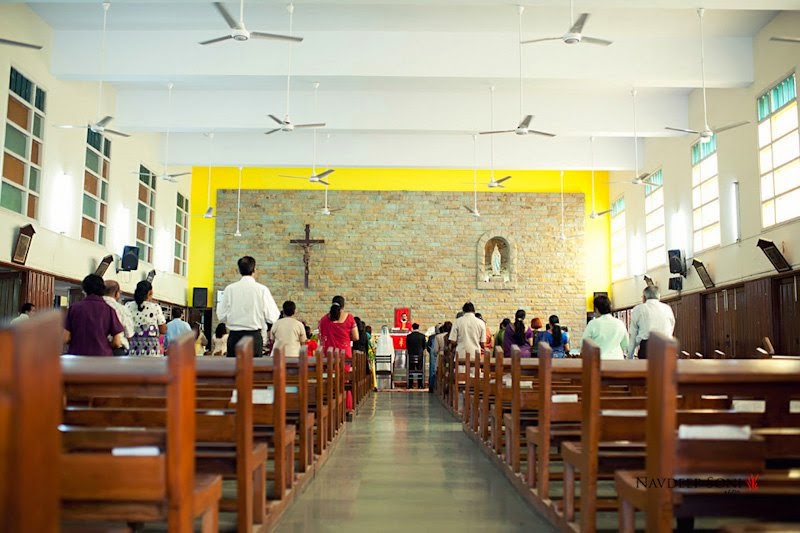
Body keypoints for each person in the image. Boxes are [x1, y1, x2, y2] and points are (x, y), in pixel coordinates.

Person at [217, 256, 280, 358]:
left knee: (234, 371)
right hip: (253, 337)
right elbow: (272, 317)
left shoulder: (230, 289)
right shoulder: (262, 290)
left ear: (239, 270)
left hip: (234, 338)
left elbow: (221, 316)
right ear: (254, 270)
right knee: (254, 371)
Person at [64, 274, 124, 356]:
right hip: (102, 358)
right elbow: (117, 342)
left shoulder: (74, 308)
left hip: (77, 357)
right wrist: (104, 346)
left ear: (84, 289)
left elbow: (66, 338)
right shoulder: (109, 310)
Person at [319, 295, 358, 409]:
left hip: (329, 355)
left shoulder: (324, 319)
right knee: (344, 381)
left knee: (330, 381)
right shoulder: (349, 318)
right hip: (344, 355)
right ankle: (346, 406)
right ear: (343, 305)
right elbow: (356, 337)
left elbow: (321, 336)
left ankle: (330, 407)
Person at [628, 286, 676, 359]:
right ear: (659, 296)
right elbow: (671, 328)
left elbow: (633, 336)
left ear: (644, 297)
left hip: (647, 347)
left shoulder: (638, 309)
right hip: (665, 346)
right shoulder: (667, 309)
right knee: (664, 370)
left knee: (647, 370)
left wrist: (630, 356)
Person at [126, 280, 167, 357]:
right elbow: (163, 329)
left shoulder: (128, 306)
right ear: (149, 293)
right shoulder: (155, 307)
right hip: (151, 350)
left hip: (133, 349)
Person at [582, 294, 629, 359]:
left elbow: (584, 344)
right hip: (617, 360)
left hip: (598, 361)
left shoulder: (593, 324)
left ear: (596, 309)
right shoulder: (620, 323)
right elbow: (625, 344)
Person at [103, 280, 134, 356]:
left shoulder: (94, 307)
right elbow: (129, 334)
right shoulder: (122, 309)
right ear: (117, 293)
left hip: (96, 350)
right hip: (117, 351)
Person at [432, 321, 452, 393]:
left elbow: (435, 350)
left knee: (440, 373)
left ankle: (440, 389)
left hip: (441, 355)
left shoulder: (438, 336)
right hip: (450, 356)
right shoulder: (451, 336)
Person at [406, 323, 427, 389]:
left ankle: (410, 384)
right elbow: (424, 346)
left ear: (412, 328)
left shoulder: (409, 336)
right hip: (420, 356)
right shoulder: (422, 336)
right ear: (418, 328)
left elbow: (407, 346)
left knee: (411, 369)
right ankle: (420, 384)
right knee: (420, 369)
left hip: (411, 355)